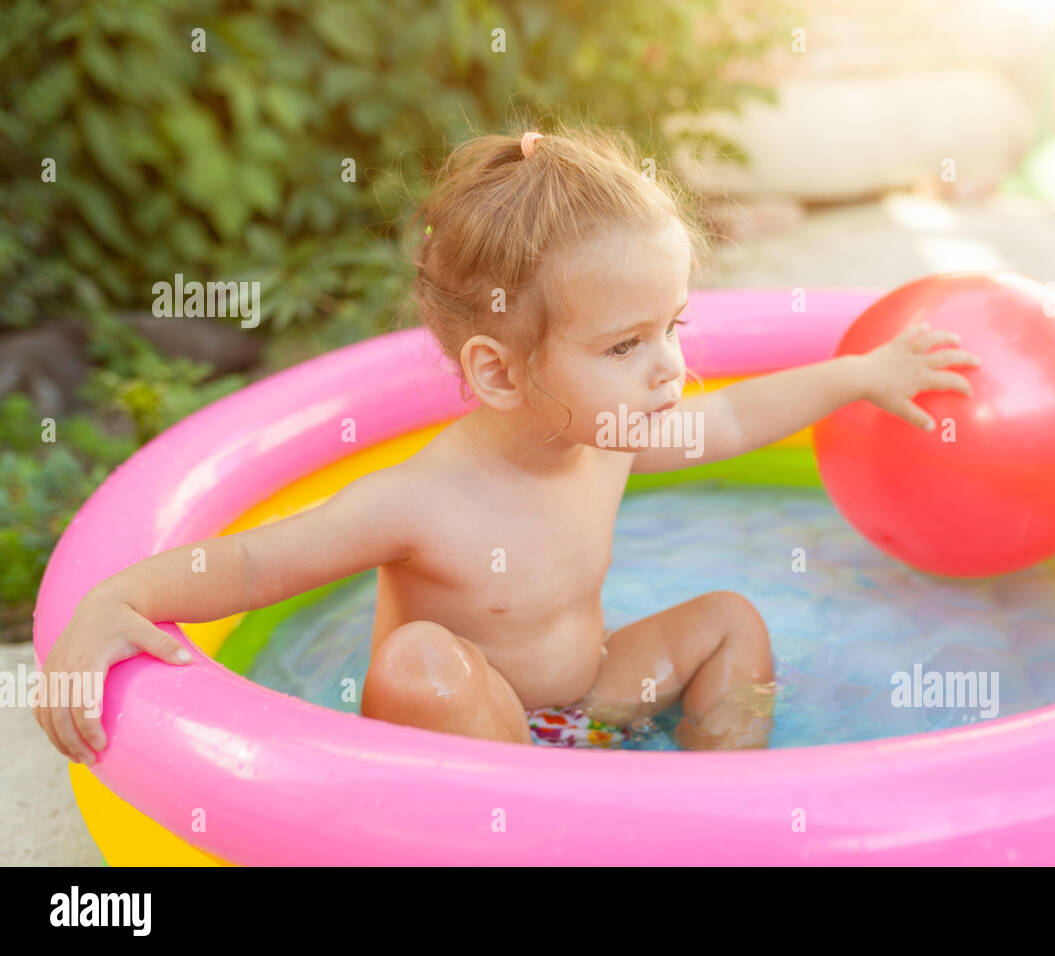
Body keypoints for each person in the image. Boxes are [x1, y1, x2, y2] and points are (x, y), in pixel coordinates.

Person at [35, 125, 978, 758]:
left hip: (587, 698)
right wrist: (118, 597)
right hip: (475, 744)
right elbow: (249, 568)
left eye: (674, 329)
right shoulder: (423, 500)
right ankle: (543, 825)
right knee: (419, 664)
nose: (669, 372)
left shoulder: (609, 433)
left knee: (733, 619)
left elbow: (732, 420)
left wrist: (859, 375)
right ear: (498, 372)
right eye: (625, 345)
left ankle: (720, 800)